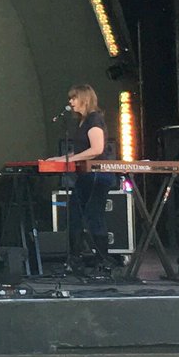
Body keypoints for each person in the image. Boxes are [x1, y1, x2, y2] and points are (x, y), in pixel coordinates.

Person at [48, 83, 111, 273]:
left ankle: (103, 260)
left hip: (98, 175)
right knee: (74, 215)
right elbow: (80, 150)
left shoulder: (94, 119)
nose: (70, 102)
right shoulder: (81, 122)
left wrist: (71, 159)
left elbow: (96, 149)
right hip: (84, 175)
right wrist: (59, 159)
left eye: (74, 98)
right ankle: (75, 259)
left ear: (84, 98)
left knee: (94, 216)